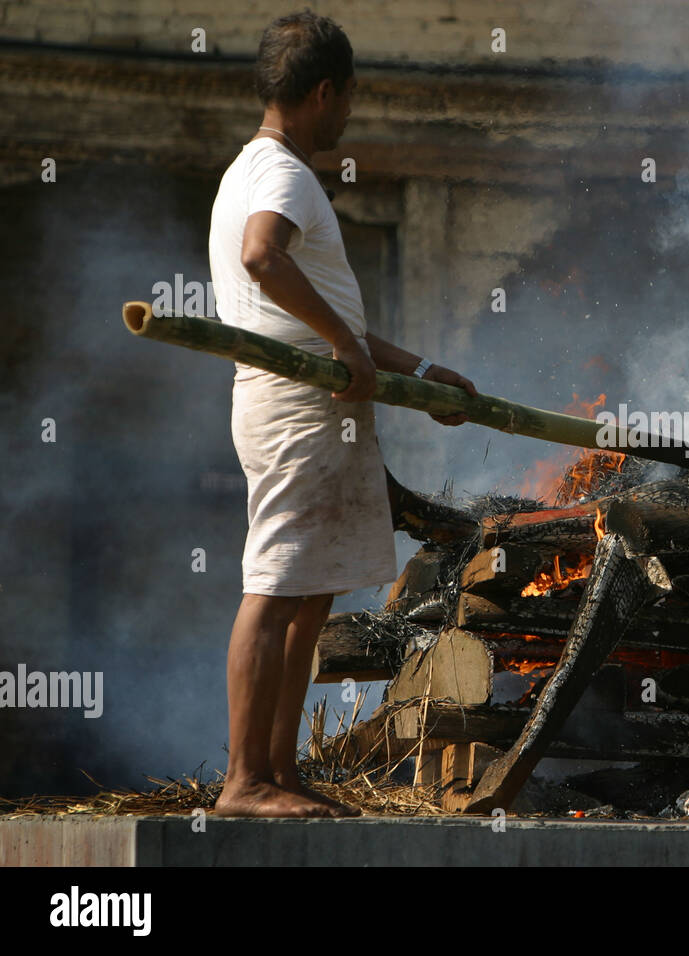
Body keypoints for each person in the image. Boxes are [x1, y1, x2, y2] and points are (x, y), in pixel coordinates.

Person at [208, 11, 477, 817]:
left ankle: (280, 774)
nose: (349, 115)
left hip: (314, 408)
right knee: (277, 584)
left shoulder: (250, 169)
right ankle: (243, 782)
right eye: (349, 99)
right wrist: (347, 352)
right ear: (325, 93)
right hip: (297, 407)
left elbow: (332, 320)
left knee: (311, 589)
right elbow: (263, 258)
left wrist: (416, 371)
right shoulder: (281, 176)